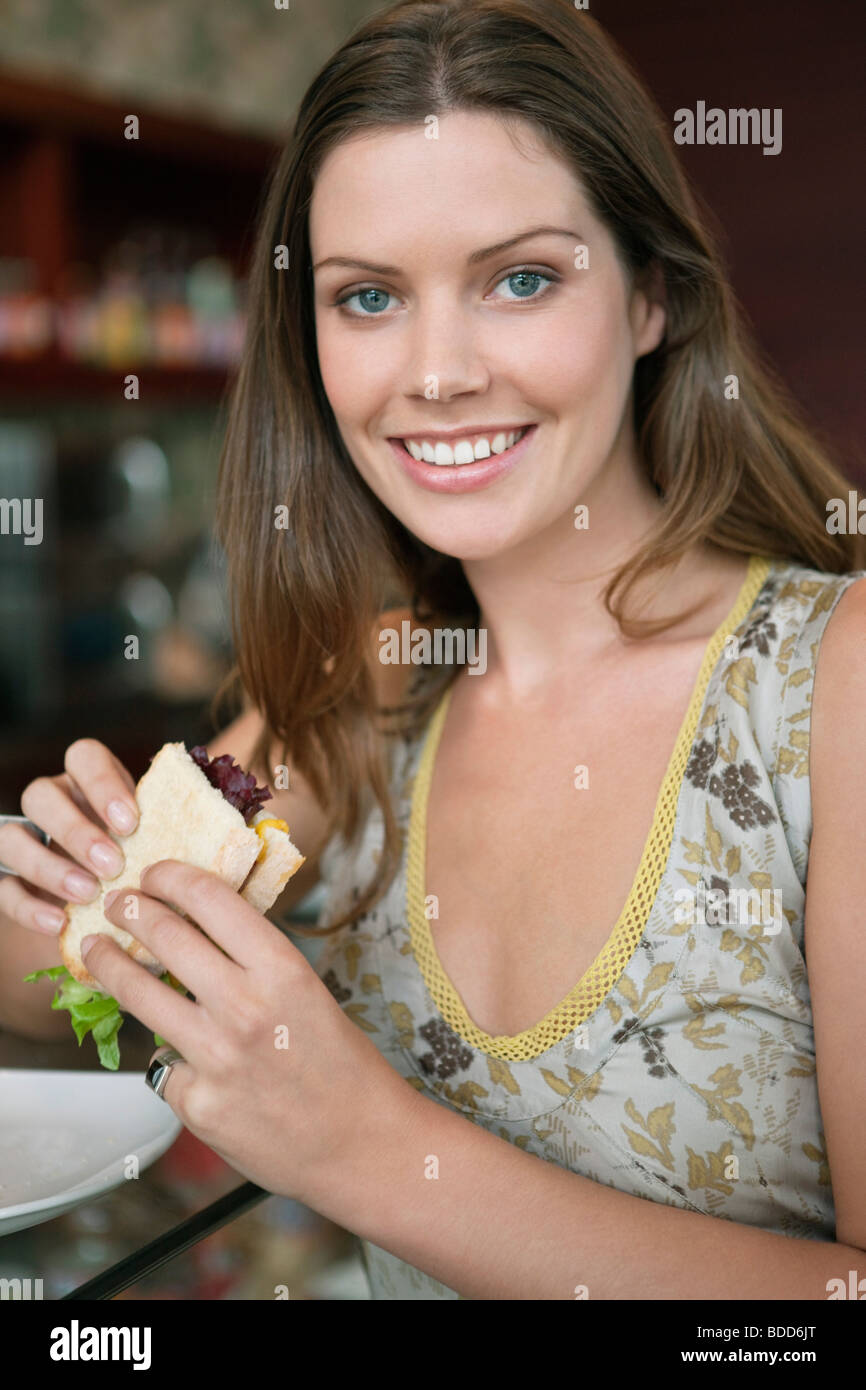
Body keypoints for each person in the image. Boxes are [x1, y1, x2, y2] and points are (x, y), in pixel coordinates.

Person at [1, 0, 864, 1300]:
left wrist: (363, 1147)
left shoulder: (830, 685)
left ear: (653, 297)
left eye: (520, 278)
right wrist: (67, 896)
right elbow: (59, 1001)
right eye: (367, 297)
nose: (438, 371)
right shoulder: (369, 691)